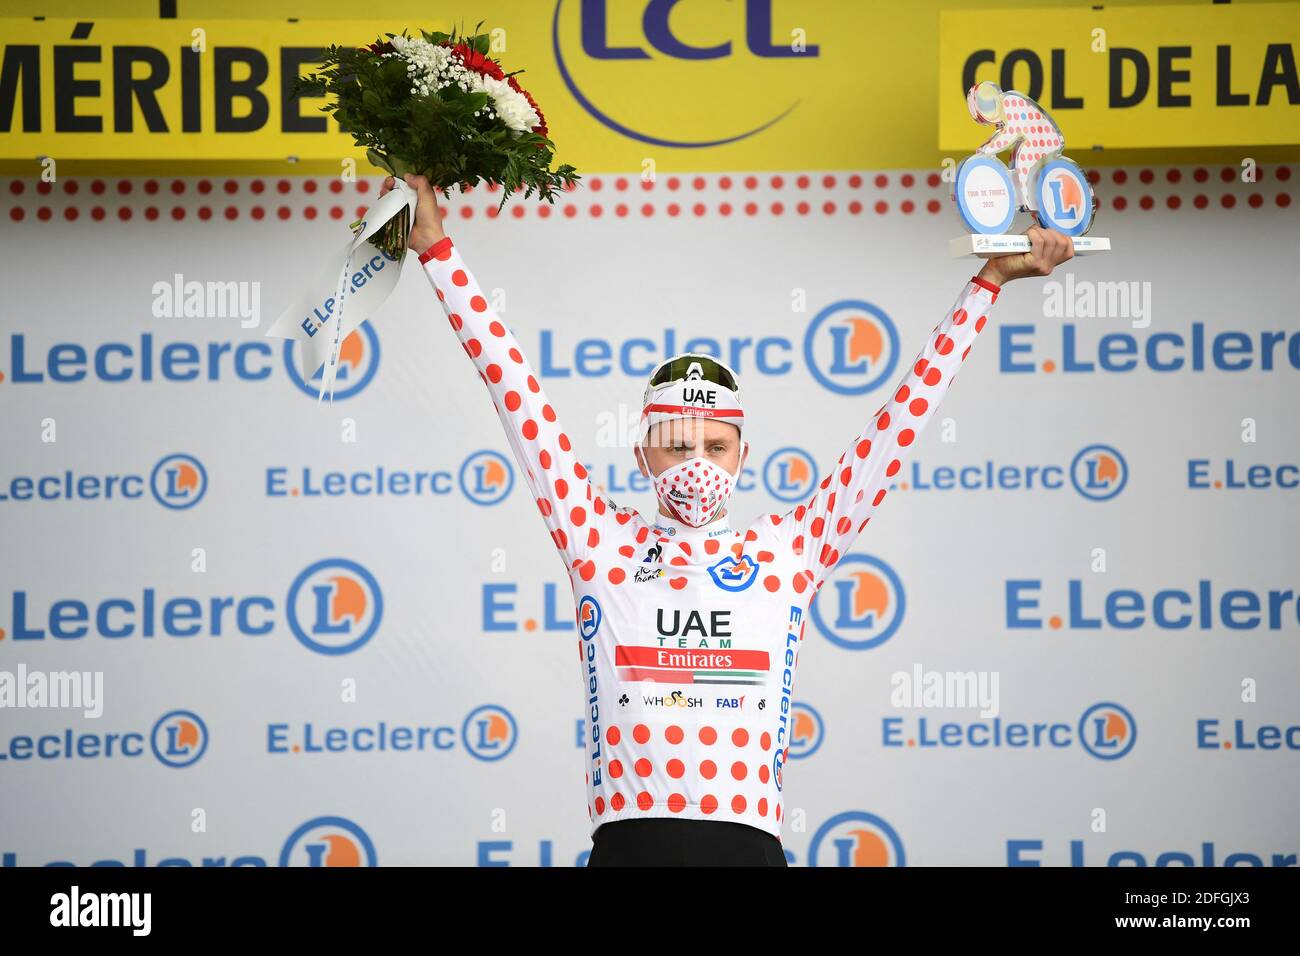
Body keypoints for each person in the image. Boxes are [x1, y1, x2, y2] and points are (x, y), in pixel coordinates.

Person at [382, 172, 1075, 867]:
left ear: (744, 454)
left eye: (715, 446)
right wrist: (439, 251)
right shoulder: (598, 540)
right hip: (629, 848)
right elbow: (516, 393)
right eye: (678, 444)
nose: (697, 462)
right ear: (643, 454)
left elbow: (897, 429)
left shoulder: (790, 548)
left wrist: (987, 283)